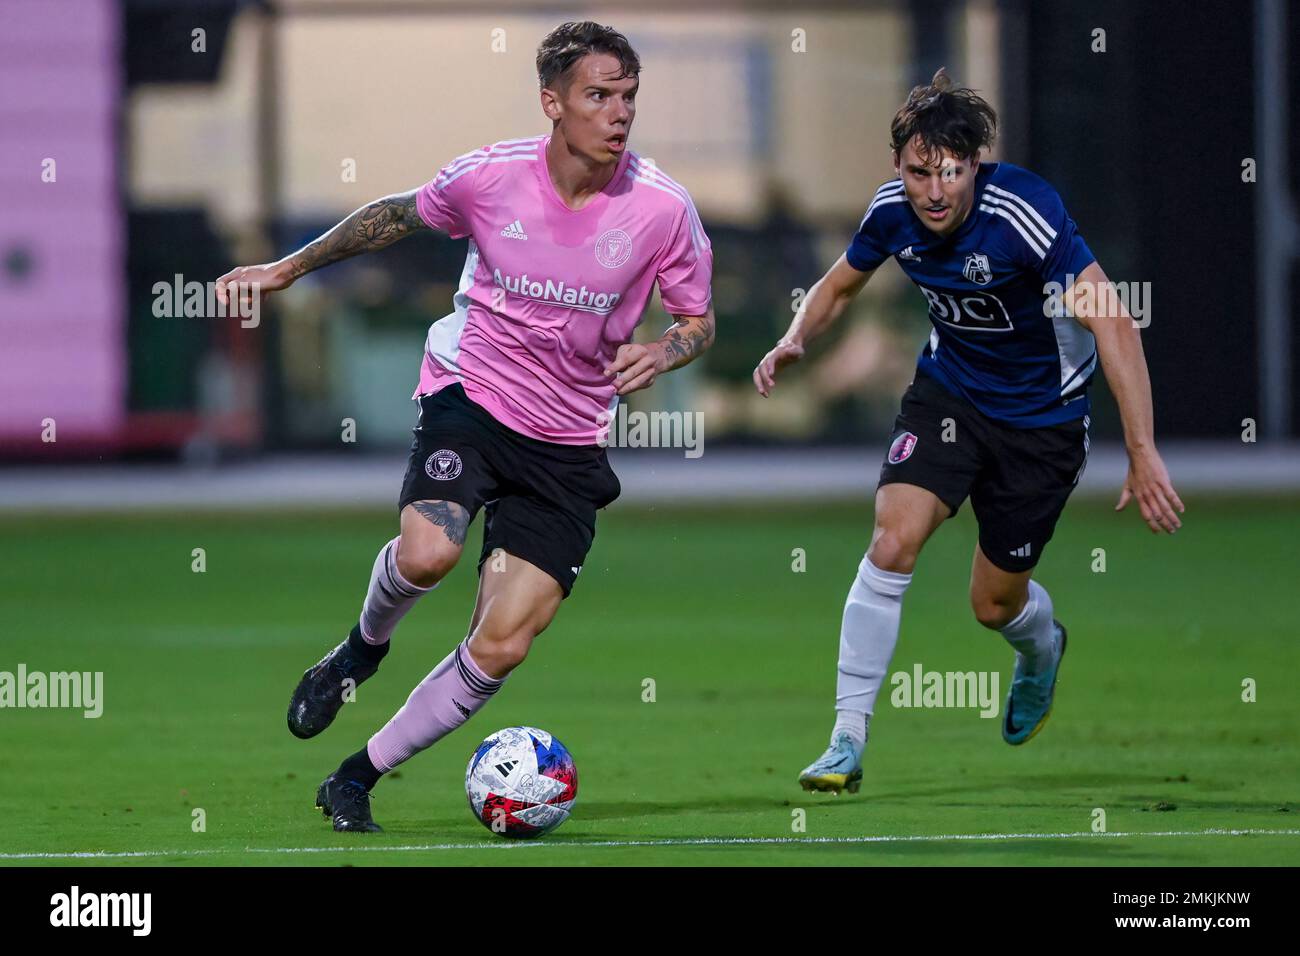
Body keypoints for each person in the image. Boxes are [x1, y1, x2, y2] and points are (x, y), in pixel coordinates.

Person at [216, 21, 714, 830]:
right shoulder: (491, 179)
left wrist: (666, 350)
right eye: (598, 96)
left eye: (628, 96)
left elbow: (699, 320)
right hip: (472, 397)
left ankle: (354, 776)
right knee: (429, 553)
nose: (618, 113)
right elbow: (394, 215)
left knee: (502, 645)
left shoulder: (662, 208)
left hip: (569, 440)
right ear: (552, 102)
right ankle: (361, 649)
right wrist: (286, 267)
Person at [753, 69, 1182, 794]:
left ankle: (1042, 650)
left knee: (994, 605)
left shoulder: (1025, 212)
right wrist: (796, 338)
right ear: (899, 168)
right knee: (892, 538)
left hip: (1042, 425)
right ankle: (846, 740)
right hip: (948, 397)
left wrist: (1141, 452)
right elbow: (839, 285)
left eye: (951, 172)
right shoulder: (892, 212)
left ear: (974, 165)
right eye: (919, 172)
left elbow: (1112, 319)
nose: (935, 191)